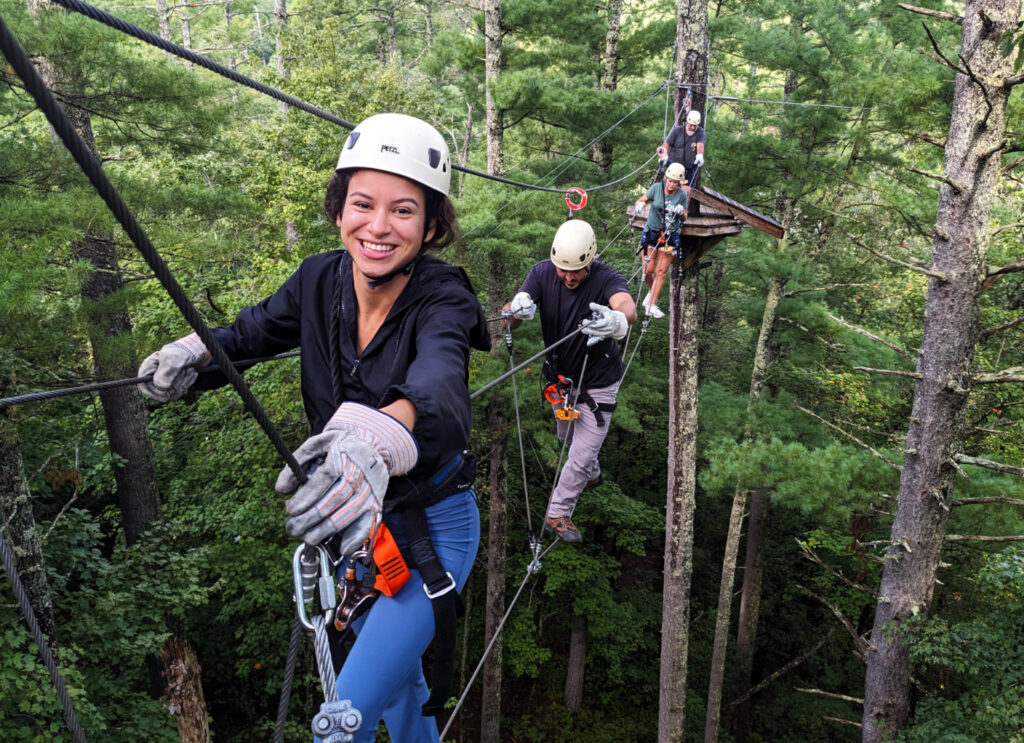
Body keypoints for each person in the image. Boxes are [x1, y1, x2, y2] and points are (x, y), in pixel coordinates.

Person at [137, 113, 490, 742]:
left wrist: (376, 439)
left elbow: (439, 385)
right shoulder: (318, 280)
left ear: (432, 225)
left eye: (403, 211)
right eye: (362, 204)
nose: (379, 227)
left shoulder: (446, 299)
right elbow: (246, 336)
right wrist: (191, 353)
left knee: (341, 723)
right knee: (400, 697)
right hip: (355, 533)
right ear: (338, 210)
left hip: (430, 528)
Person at [503, 219, 637, 543]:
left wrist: (616, 320)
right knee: (567, 438)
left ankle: (558, 512)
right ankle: (591, 473)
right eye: (562, 269)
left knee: (579, 453)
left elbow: (627, 306)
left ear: (590, 259)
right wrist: (514, 310)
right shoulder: (542, 273)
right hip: (562, 382)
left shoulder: (605, 278)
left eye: (575, 271)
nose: (568, 277)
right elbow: (510, 318)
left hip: (598, 382)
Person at [633, 162, 689, 319]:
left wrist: (680, 213)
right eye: (670, 181)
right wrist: (640, 204)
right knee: (648, 270)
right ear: (666, 178)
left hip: (671, 234)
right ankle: (652, 293)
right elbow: (641, 199)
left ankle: (651, 304)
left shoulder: (681, 195)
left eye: (675, 182)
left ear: (679, 183)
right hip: (652, 231)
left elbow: (685, 215)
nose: (671, 185)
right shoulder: (657, 188)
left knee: (661, 271)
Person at [657, 109, 705, 187]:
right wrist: (664, 155)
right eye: (691, 125)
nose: (692, 128)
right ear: (686, 122)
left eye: (695, 126)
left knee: (685, 190)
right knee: (670, 187)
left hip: (689, 168)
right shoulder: (677, 131)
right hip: (673, 165)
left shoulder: (700, 132)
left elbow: (700, 144)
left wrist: (700, 155)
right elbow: (666, 144)